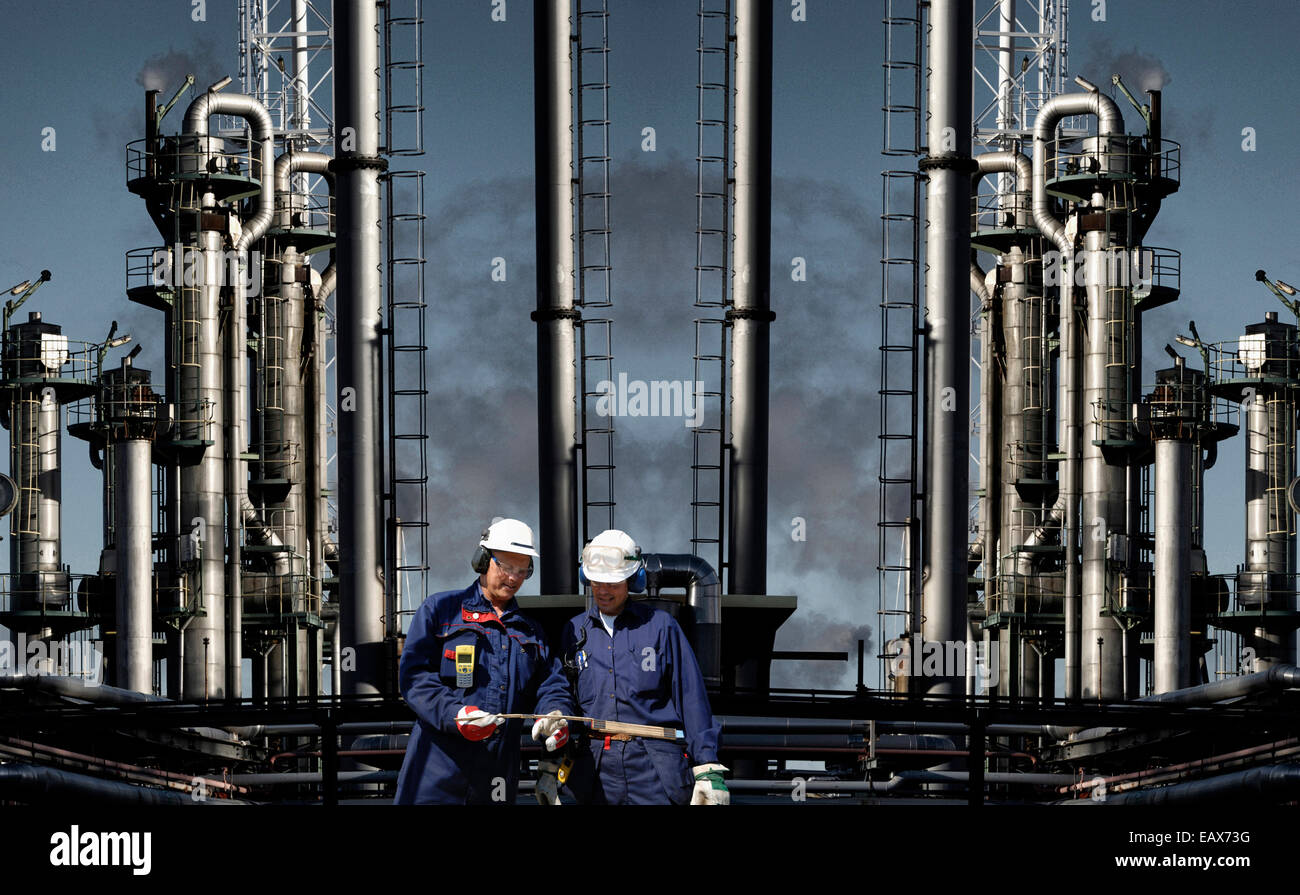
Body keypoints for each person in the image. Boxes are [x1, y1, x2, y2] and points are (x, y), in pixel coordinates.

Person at [531, 529, 729, 805]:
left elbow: (691, 697)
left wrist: (708, 767)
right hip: (594, 770)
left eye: (612, 583)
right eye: (597, 582)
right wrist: (555, 715)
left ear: (632, 580)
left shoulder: (661, 627)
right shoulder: (574, 631)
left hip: (654, 770)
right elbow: (560, 689)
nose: (603, 590)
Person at [395, 518, 568, 804]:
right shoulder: (440, 611)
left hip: (496, 776)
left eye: (522, 570)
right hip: (435, 771)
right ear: (483, 560)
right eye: (505, 567)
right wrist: (456, 714)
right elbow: (415, 679)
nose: (513, 578)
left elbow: (551, 684)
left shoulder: (531, 632)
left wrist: (553, 713)